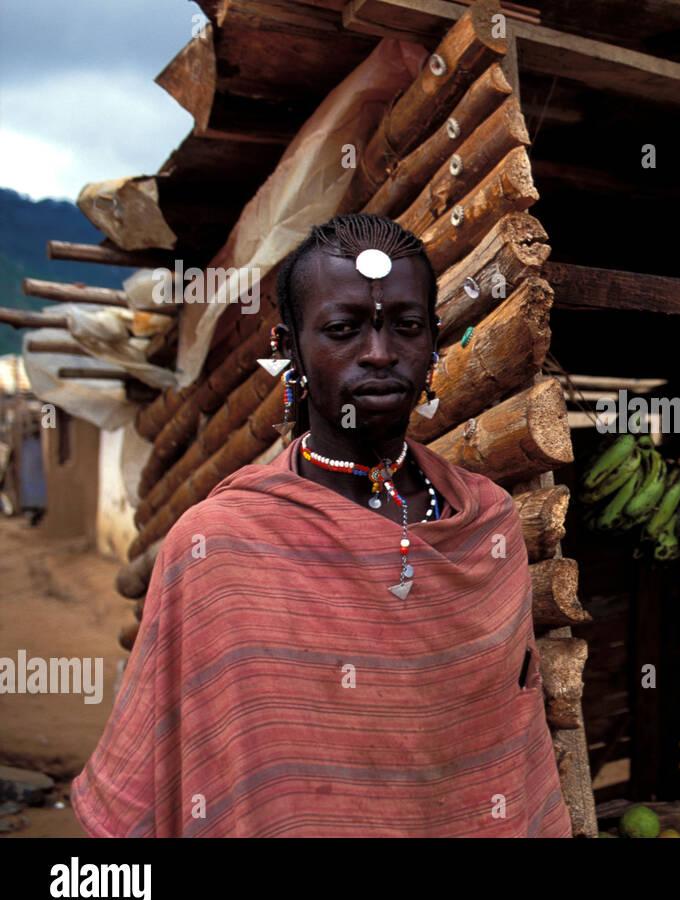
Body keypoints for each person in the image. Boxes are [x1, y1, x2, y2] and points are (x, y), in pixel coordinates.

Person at [72, 214, 571, 837]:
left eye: (407, 327)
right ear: (290, 349)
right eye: (343, 329)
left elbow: (501, 749)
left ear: (434, 340)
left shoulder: (486, 525)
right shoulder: (217, 546)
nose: (381, 353)